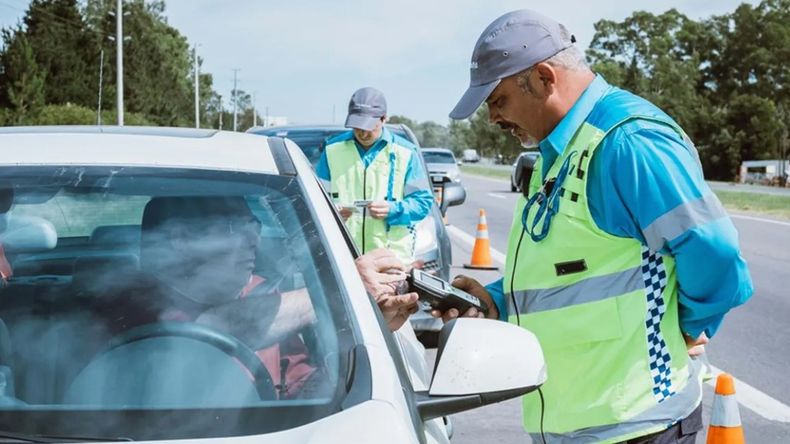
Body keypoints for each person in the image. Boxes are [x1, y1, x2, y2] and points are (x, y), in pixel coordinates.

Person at [440, 10, 753, 443]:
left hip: (636, 424)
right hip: (575, 425)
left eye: (498, 100)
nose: (493, 118)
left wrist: (684, 326)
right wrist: (497, 301)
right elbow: (578, 273)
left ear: (545, 77)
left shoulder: (627, 143)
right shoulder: (560, 151)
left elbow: (714, 250)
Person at [95, 196, 419, 399]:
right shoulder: (129, 298)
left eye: (253, 224)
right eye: (234, 226)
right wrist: (343, 288)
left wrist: (358, 347)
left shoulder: (263, 293)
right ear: (179, 238)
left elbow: (301, 392)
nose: (254, 237)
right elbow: (212, 328)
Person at [315, 87, 434, 264]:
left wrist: (392, 209)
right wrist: (332, 211)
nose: (362, 133)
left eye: (369, 127)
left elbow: (422, 203)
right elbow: (316, 199)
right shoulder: (332, 150)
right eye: (357, 127)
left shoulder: (406, 153)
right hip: (342, 258)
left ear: (384, 118)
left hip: (392, 260)